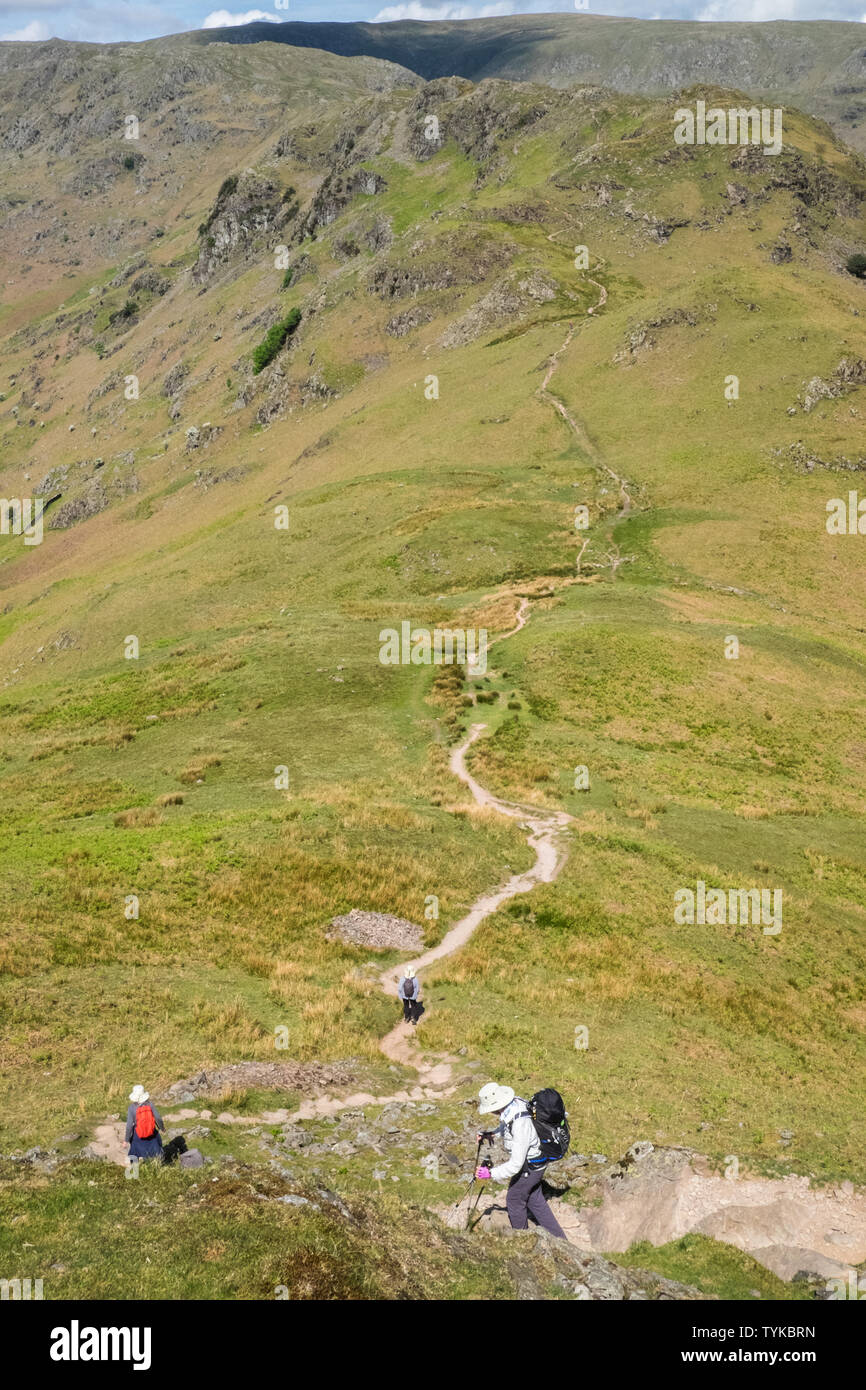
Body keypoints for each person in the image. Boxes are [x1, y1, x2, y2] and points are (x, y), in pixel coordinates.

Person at [475, 1081, 566, 1239]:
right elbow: (507, 1126)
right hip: (536, 1163)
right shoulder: (515, 1103)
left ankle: (521, 1241)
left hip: (530, 1167)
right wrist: (492, 1134)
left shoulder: (519, 1124)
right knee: (533, 1198)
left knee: (514, 1199)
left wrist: (490, 1173)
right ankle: (560, 1239)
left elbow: (515, 1165)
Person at [125, 1084, 165, 1164]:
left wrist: (126, 1140)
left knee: (134, 1149)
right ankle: (157, 1164)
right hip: (151, 1131)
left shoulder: (131, 1108)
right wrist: (162, 1128)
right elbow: (158, 1118)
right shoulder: (150, 1104)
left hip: (138, 1134)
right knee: (156, 1146)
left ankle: (134, 1168)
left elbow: (129, 1125)